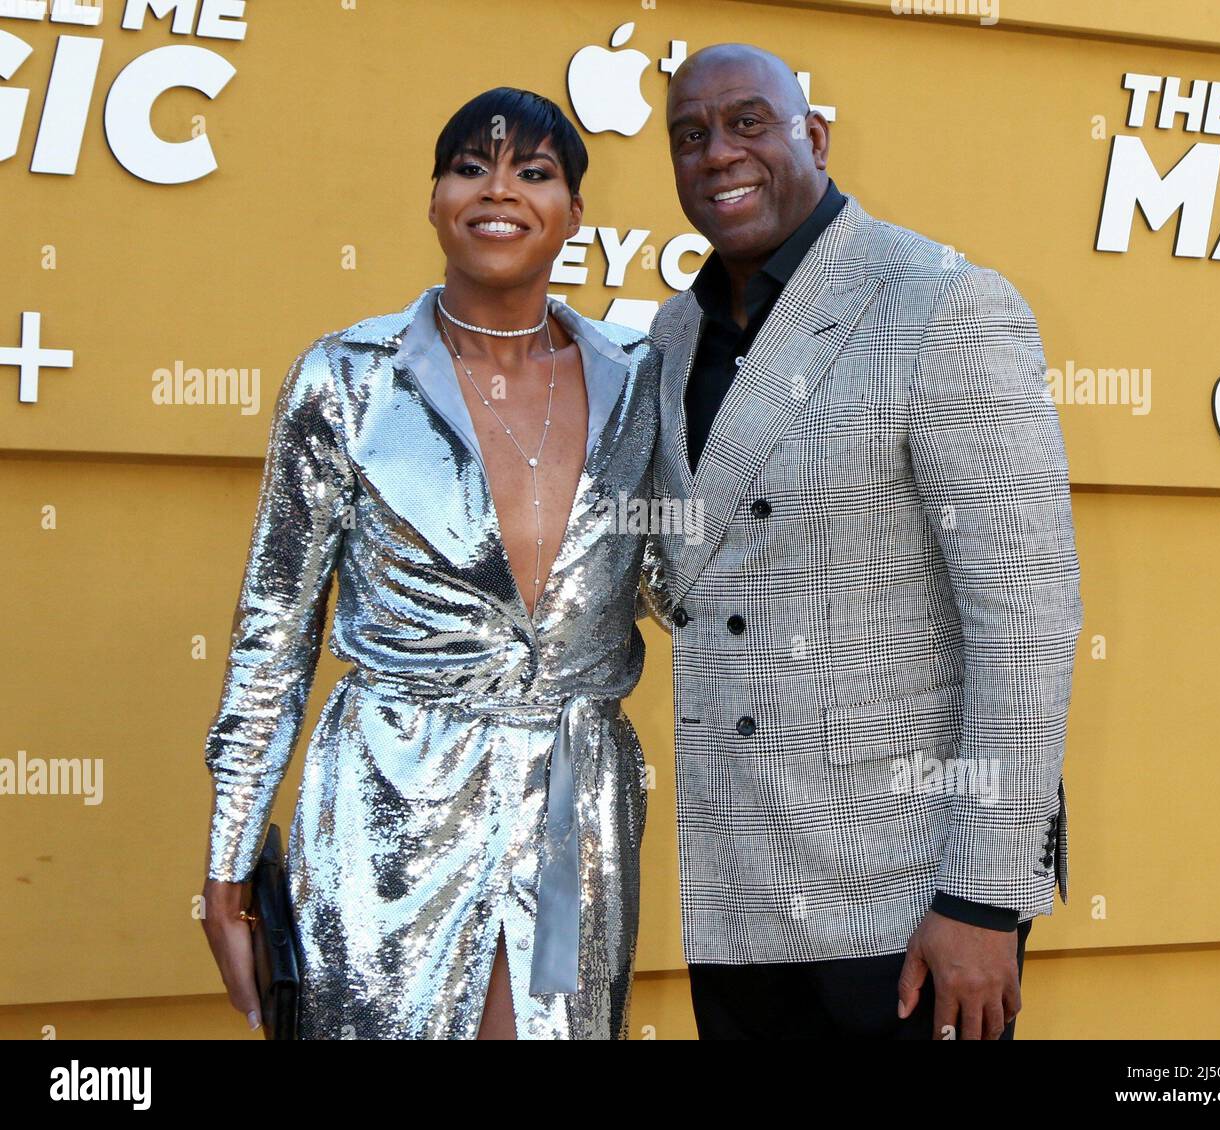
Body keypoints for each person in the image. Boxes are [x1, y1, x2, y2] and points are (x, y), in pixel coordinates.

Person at [643, 43, 1084, 1039]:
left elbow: (1025, 616)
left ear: (815, 135)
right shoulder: (673, 334)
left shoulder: (940, 300)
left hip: (905, 899)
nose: (717, 153)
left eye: (747, 121)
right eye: (689, 135)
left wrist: (982, 898)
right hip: (737, 892)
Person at [200, 87, 660, 1040]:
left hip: (574, 802)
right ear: (435, 199)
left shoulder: (639, 380)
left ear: (575, 213)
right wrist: (226, 865)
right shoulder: (348, 380)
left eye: (533, 173)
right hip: (390, 808)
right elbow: (272, 638)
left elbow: (684, 581)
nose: (499, 192)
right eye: (469, 167)